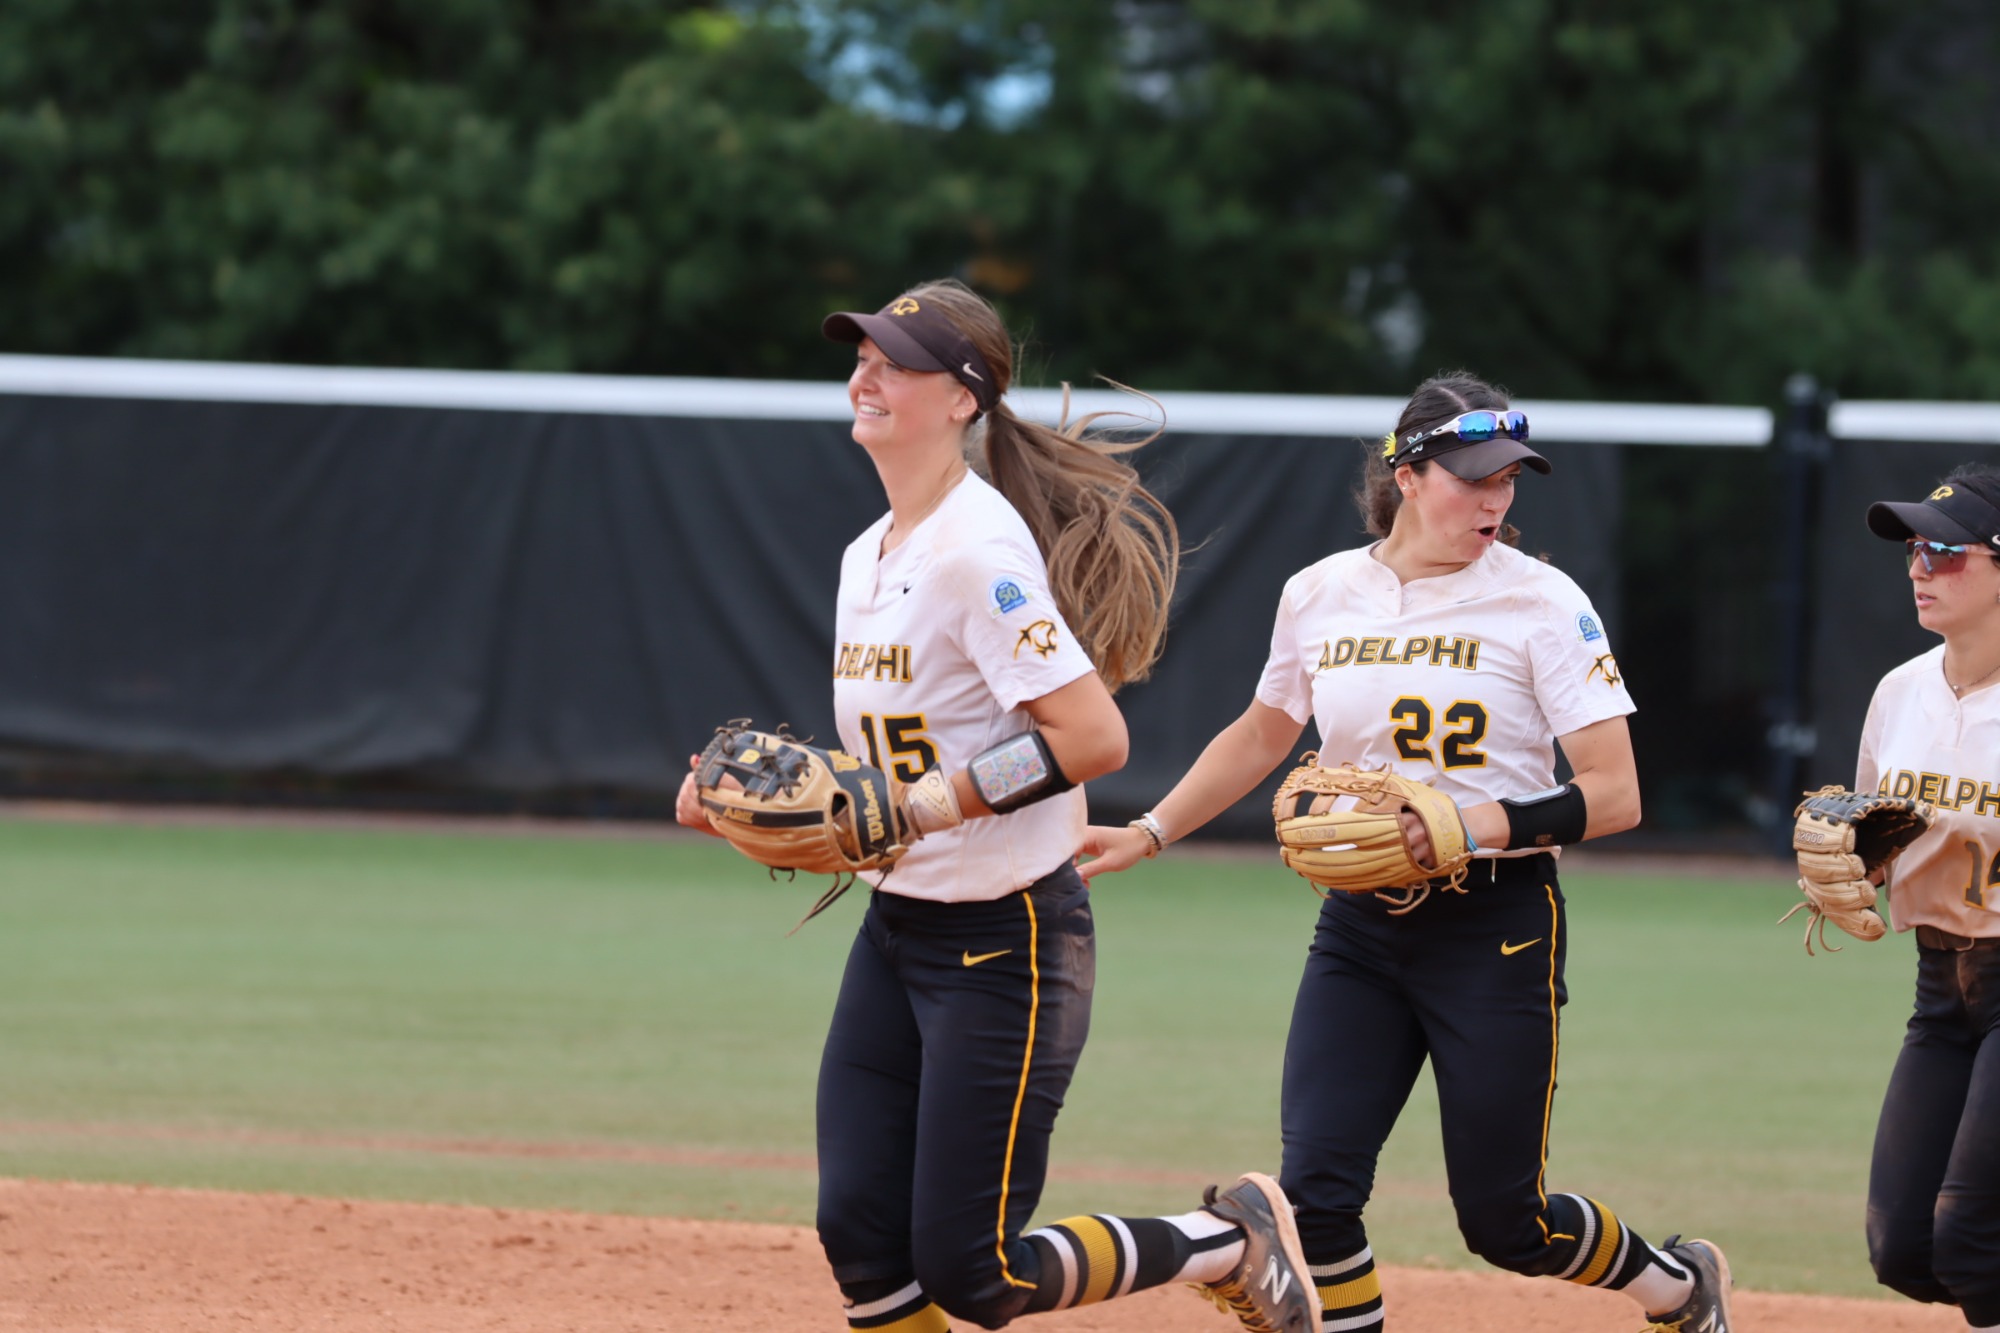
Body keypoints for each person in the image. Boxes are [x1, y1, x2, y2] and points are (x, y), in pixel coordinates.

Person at [677, 278, 1320, 1333]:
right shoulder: (868, 553)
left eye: (898, 359)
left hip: (1005, 938)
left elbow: (1088, 739)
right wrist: (756, 799)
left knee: (974, 1273)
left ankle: (1228, 1237)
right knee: (858, 1236)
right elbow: (892, 757)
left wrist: (918, 810)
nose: (867, 372)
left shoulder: (976, 549)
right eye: (864, 353)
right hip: (898, 929)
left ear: (963, 397)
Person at [1080, 372, 1735, 1333]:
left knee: (1506, 1223)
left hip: (1496, 927)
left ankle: (1681, 1287)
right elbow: (1264, 732)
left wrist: (1464, 827)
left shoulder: (1542, 600)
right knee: (1315, 1191)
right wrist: (1149, 830)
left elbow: (1615, 792)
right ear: (1409, 473)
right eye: (1473, 477)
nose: (1496, 499)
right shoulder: (1320, 591)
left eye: (1510, 477)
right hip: (1361, 928)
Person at [1837, 465, 2000, 1330]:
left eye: (1945, 549)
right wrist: (1844, 863)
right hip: (1940, 992)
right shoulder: (1900, 692)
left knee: (1973, 1235)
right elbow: (1872, 836)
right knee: (1906, 1249)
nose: (1919, 566)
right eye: (1913, 548)